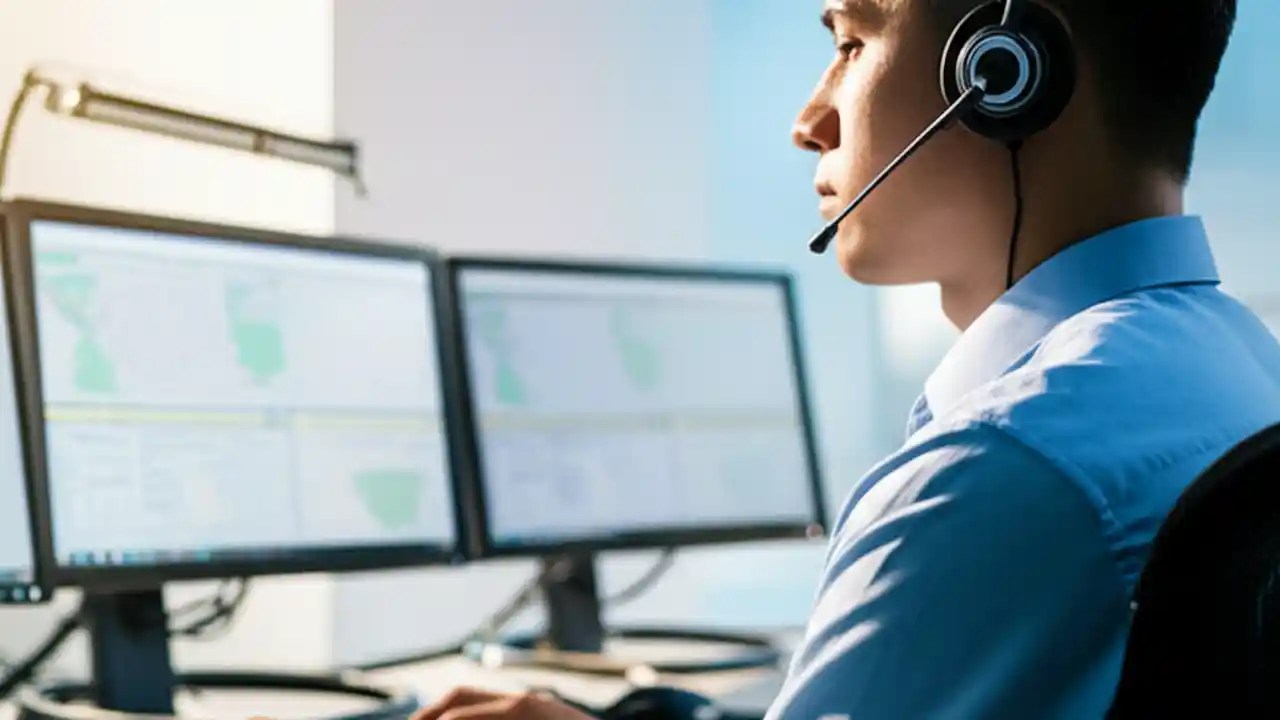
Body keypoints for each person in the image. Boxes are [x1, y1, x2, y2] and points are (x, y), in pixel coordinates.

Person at [416, 0, 1273, 718]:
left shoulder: (1000, 467)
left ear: (1006, 73)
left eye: (852, 44)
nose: (808, 122)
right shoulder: (1244, 369)